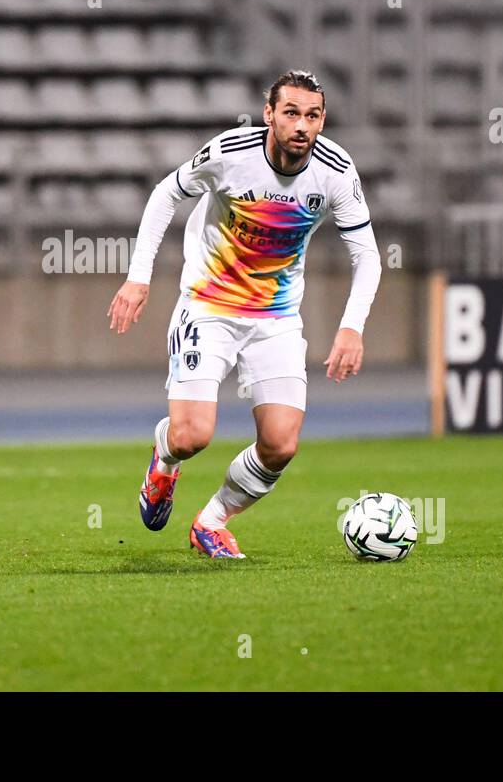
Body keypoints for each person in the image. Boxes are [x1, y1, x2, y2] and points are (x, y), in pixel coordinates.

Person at [107, 70, 382, 558]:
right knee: (193, 436)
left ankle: (211, 522)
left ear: (323, 121)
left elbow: (368, 256)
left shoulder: (336, 171)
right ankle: (165, 458)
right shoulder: (231, 153)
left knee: (280, 444)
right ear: (269, 115)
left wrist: (351, 328)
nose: (302, 125)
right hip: (208, 306)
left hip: (275, 319)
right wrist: (138, 276)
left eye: (313, 115)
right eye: (291, 113)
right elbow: (165, 193)